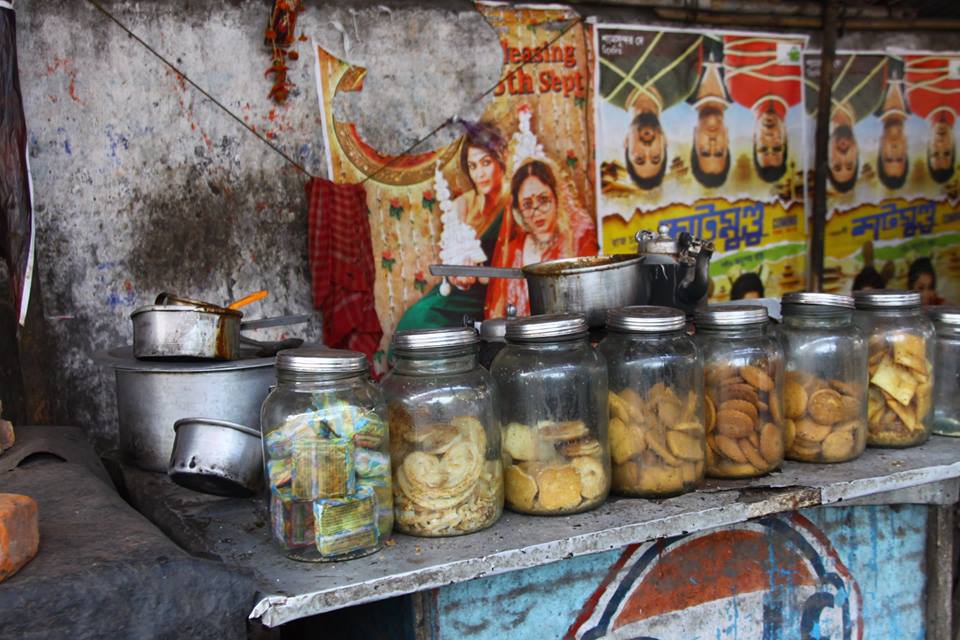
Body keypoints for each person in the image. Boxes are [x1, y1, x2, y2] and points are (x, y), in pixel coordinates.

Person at [395, 124, 510, 330]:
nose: (479, 174)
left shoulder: (514, 202)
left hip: (493, 294)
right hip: (457, 292)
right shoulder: (462, 205)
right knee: (414, 320)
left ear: (501, 158)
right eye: (473, 166)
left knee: (424, 323)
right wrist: (457, 277)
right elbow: (450, 259)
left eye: (486, 163)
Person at [598, 31, 712, 190]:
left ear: (625, 142)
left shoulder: (603, 84)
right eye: (655, 157)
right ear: (665, 142)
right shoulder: (684, 84)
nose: (647, 147)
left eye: (639, 158)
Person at [485, 159, 598, 317]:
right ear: (518, 210)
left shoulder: (578, 242)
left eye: (543, 200)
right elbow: (496, 314)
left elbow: (592, 303)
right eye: (527, 204)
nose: (536, 211)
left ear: (557, 197)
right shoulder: (511, 251)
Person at [723, 35, 803, 183]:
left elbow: (733, 33)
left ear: (754, 138)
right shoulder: (798, 91)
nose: (770, 138)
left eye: (763, 148)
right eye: (777, 147)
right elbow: (797, 39)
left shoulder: (738, 91)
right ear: (786, 137)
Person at [806, 54, 889, 193]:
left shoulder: (811, 105)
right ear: (857, 152)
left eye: (837, 165)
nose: (843, 155)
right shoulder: (872, 99)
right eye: (850, 164)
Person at [903, 53, 960, 184]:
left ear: (928, 146)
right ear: (954, 145)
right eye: (946, 152)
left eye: (935, 153)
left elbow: (915, 54)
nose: (940, 144)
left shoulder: (917, 104)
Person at [876, 58, 909, 190]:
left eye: (889, 158)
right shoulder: (920, 103)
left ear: (881, 148)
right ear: (906, 148)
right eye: (900, 158)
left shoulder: (869, 103)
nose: (894, 149)